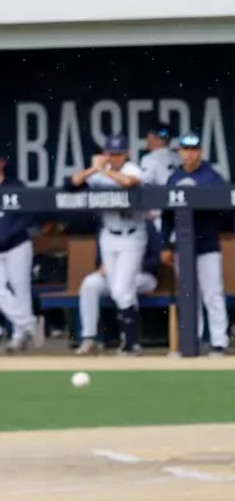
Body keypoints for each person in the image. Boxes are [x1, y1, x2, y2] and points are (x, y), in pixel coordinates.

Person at [70, 136, 148, 355]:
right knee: (117, 291)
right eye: (111, 153)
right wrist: (92, 169)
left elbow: (128, 182)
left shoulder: (132, 168)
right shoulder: (99, 172)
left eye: (118, 154)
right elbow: (73, 183)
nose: (114, 158)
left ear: (126, 154)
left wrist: (103, 170)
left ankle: (131, 343)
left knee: (123, 290)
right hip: (108, 235)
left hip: (132, 235)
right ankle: (130, 341)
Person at [166, 133, 233, 356]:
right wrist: (165, 245)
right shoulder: (174, 178)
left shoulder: (212, 177)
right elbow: (166, 216)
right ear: (180, 152)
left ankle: (218, 342)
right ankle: (190, 341)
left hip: (207, 243)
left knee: (212, 293)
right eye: (185, 149)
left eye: (194, 149)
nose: (190, 153)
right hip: (182, 246)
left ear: (200, 152)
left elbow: (226, 211)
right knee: (187, 295)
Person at [0, 153, 37, 350]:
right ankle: (29, 323)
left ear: (3, 163)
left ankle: (19, 336)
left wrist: (6, 236)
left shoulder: (15, 186)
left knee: (21, 290)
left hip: (16, 245)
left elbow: (25, 218)